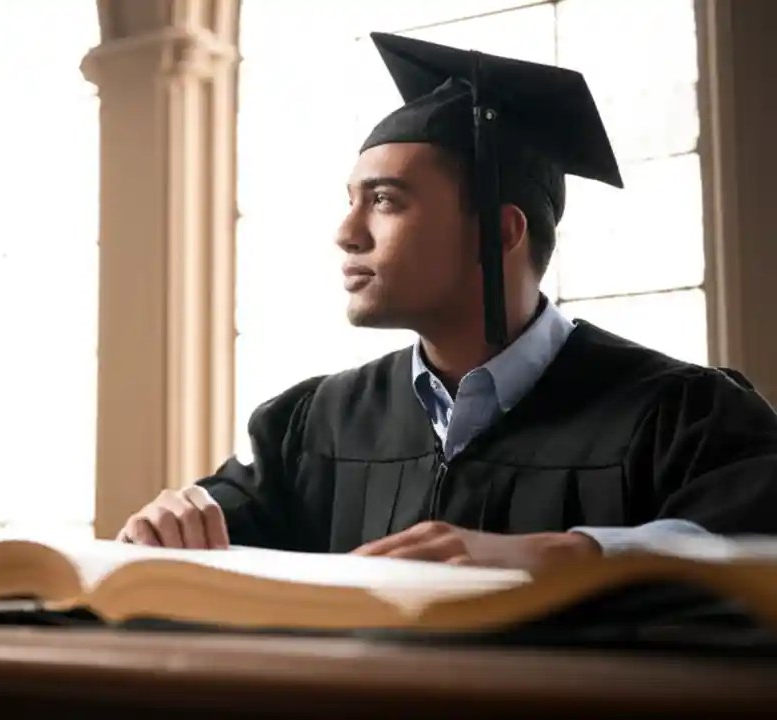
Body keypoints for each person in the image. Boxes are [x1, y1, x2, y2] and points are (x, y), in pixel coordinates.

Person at [116, 33, 777, 572]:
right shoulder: (317, 425)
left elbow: (755, 544)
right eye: (351, 201)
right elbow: (216, 541)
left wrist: (568, 554)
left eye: (384, 201)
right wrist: (170, 527)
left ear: (501, 232)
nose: (347, 233)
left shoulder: (677, 417)